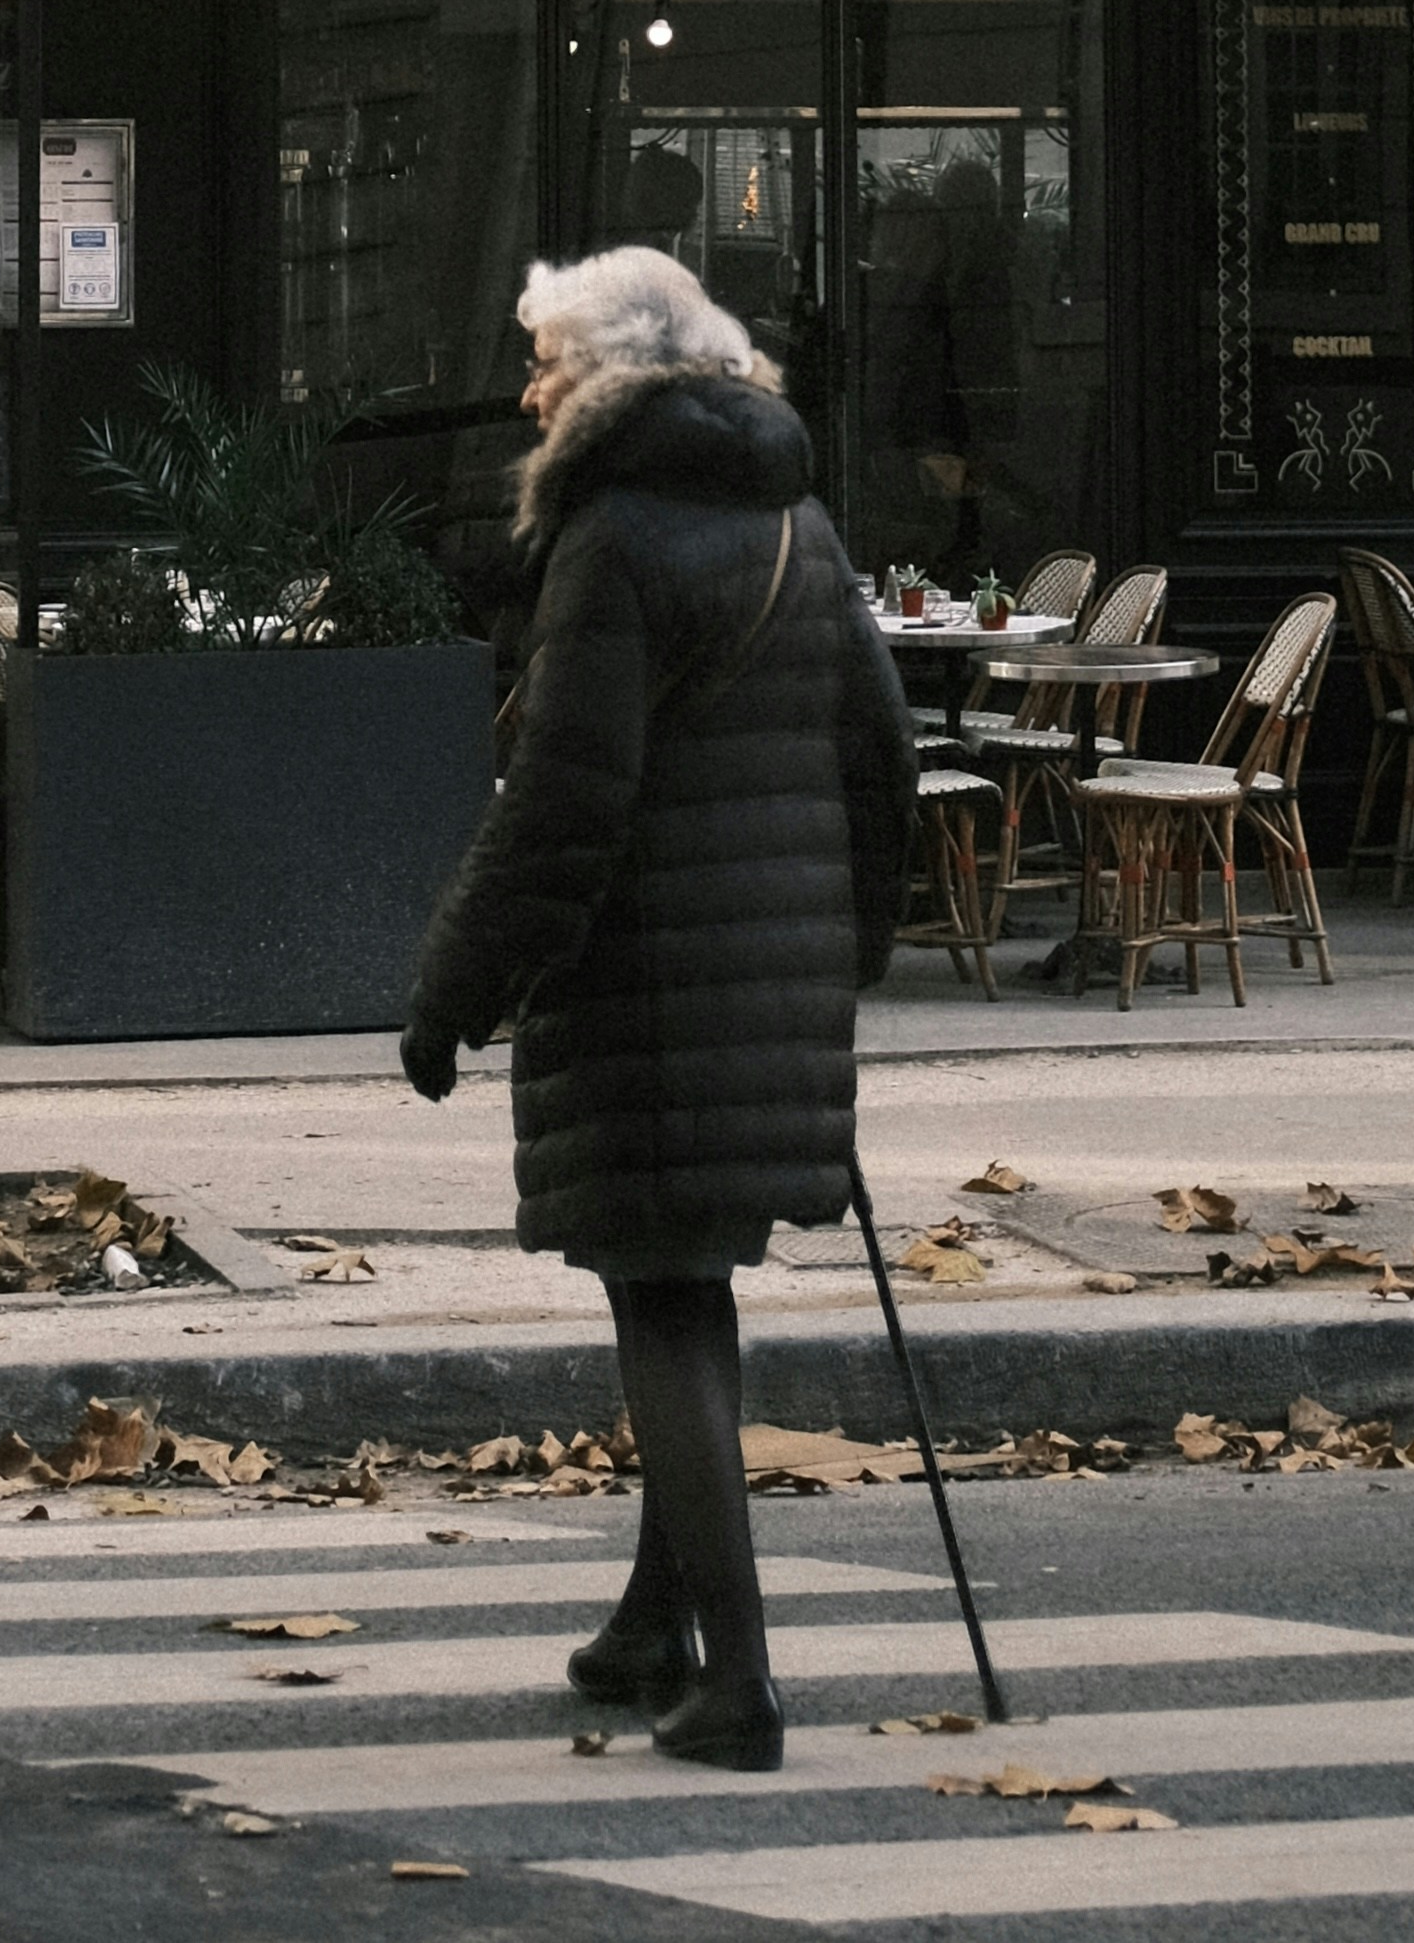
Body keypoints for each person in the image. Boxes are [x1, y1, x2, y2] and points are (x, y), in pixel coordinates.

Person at [399, 242, 913, 1773]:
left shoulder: (611, 538)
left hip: (648, 983)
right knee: (687, 1285)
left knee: (665, 1301)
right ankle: (651, 1624)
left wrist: (452, 995)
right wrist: (846, 957)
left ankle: (739, 1680)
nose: (527, 382)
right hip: (768, 978)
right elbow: (879, 768)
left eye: (547, 355)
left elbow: (563, 802)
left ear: (614, 374)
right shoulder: (798, 521)